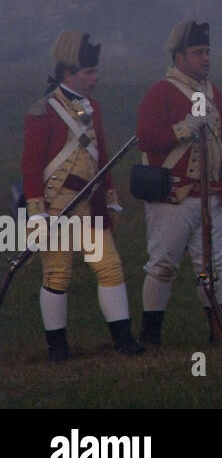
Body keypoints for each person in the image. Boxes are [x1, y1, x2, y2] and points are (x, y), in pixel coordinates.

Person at [21, 31, 143, 360]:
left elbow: (101, 156)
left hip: (88, 204)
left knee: (110, 269)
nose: (95, 77)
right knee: (57, 274)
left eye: (94, 71)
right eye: (88, 72)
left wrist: (111, 197)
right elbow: (30, 166)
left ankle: (123, 341)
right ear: (67, 74)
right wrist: (37, 214)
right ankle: (57, 347)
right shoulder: (42, 111)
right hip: (56, 206)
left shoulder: (92, 108)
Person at [134, 21, 222, 345]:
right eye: (198, 53)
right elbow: (146, 139)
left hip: (209, 193)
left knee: (213, 266)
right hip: (172, 195)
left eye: (207, 52)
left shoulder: (213, 92)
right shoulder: (161, 92)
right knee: (163, 266)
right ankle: (150, 334)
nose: (206, 58)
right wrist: (183, 128)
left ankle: (219, 328)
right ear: (179, 57)